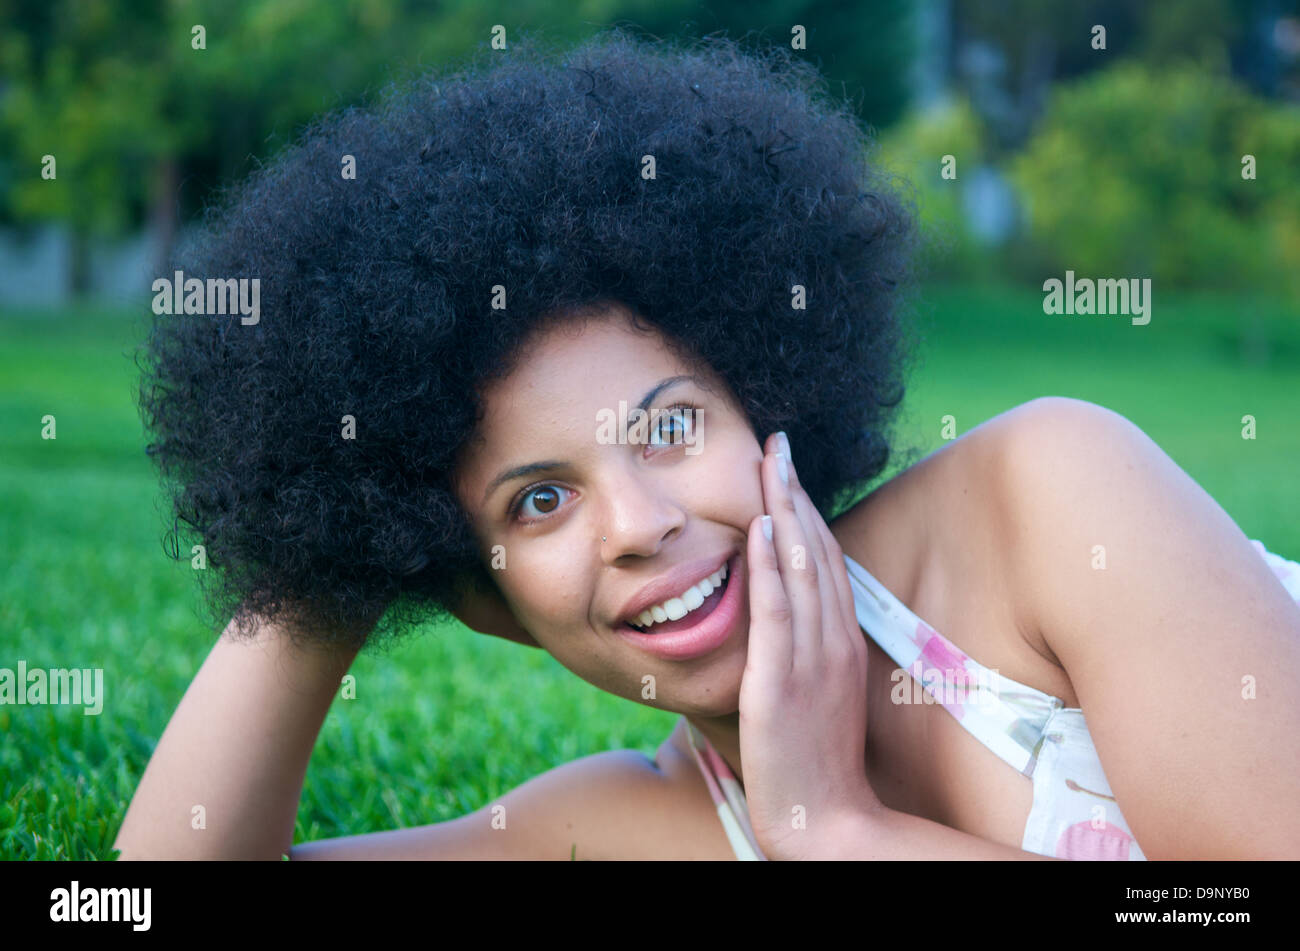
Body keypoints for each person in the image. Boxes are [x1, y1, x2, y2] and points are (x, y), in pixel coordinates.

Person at [115, 28, 1300, 861]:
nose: (636, 524)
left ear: (766, 396)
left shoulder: (1048, 499)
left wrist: (841, 833)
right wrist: (329, 563)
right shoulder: (643, 828)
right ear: (482, 598)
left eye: (668, 427)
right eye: (537, 504)